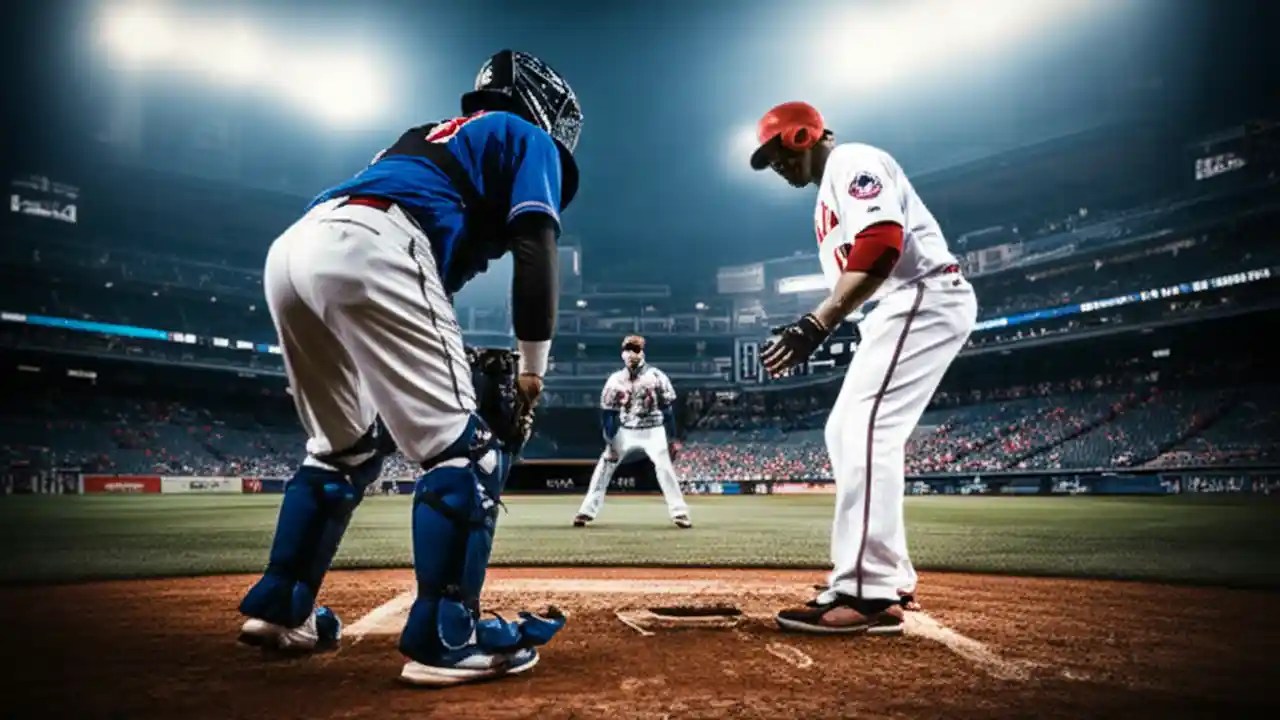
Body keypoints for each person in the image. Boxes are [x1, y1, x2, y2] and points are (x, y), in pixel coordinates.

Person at [236, 49, 583, 686]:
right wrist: (533, 370)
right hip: (379, 245)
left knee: (343, 449)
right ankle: (447, 637)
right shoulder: (525, 135)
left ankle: (281, 606)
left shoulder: (422, 140)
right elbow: (536, 244)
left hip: (297, 248)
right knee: (469, 453)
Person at [749, 101, 975, 634]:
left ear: (805, 135)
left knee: (868, 429)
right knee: (844, 430)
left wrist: (816, 323)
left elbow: (882, 244)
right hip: (894, 307)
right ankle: (890, 575)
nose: (776, 164)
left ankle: (868, 593)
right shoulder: (826, 197)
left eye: (778, 150)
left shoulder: (852, 160)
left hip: (920, 295)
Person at [573, 335, 692, 528]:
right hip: (626, 429)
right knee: (604, 466)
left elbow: (668, 410)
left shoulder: (656, 376)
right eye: (628, 350)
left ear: (642, 352)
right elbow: (608, 414)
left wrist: (673, 437)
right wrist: (610, 442)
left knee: (664, 467)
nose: (631, 354)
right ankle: (586, 511)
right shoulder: (615, 380)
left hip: (653, 429)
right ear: (622, 354)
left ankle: (680, 513)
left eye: (635, 350)